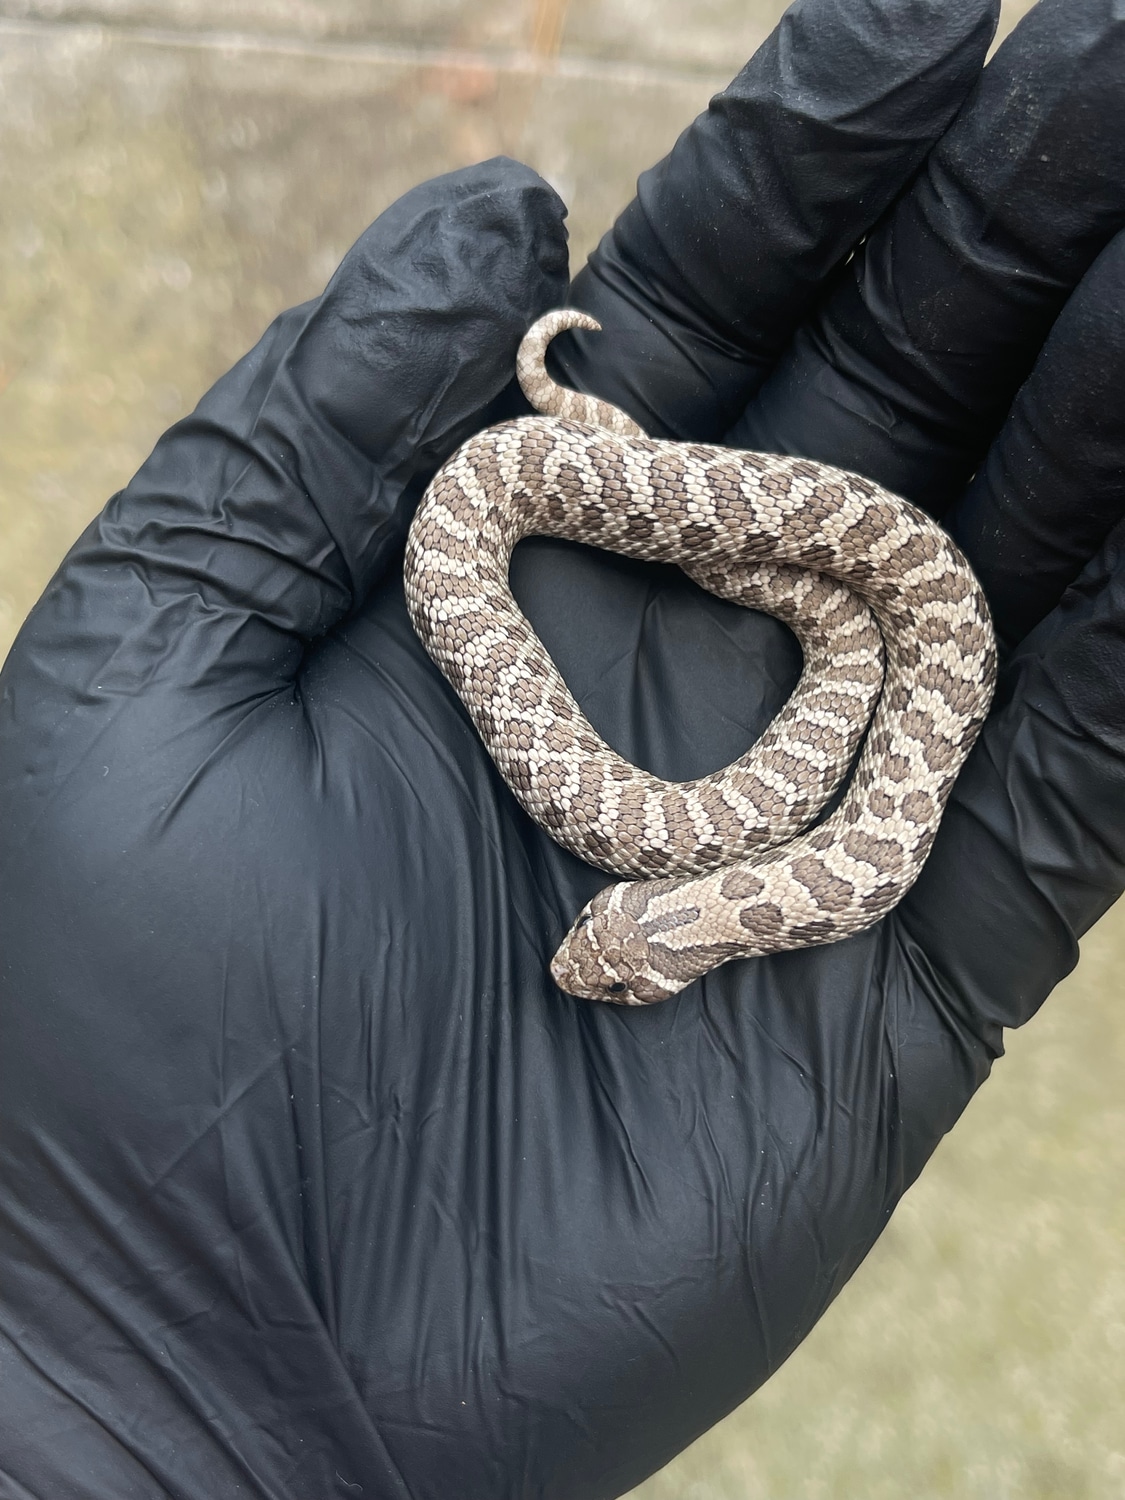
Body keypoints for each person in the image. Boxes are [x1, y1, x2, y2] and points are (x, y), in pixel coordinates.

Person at [2, 0, 1124, 1493]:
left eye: (604, 949)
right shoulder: (796, 845)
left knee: (854, 599)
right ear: (663, 946)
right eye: (612, 954)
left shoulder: (802, 833)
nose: (587, 956)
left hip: (823, 606)